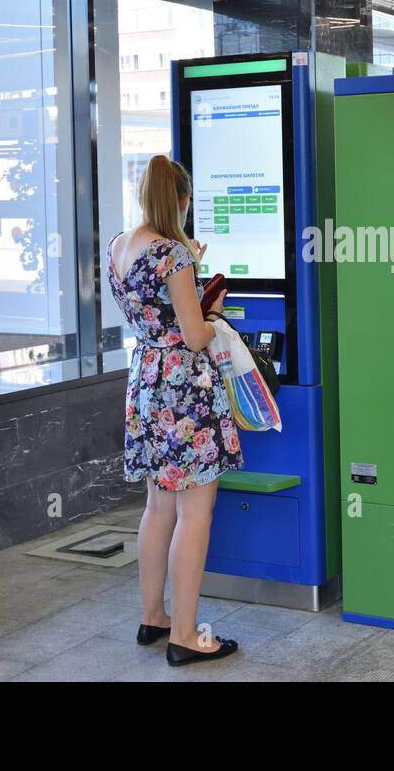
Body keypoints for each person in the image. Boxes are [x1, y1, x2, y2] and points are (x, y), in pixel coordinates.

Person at [106, 154, 242, 667]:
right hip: (184, 388)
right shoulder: (174, 256)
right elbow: (193, 333)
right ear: (182, 200)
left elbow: (154, 314)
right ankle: (186, 635)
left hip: (145, 381)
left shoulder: (119, 245)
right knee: (196, 513)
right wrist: (214, 310)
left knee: (158, 507)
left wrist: (190, 269)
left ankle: (153, 616)